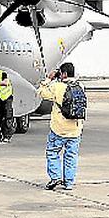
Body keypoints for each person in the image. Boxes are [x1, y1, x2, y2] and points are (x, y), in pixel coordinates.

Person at [36, 62, 86, 190]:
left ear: (63, 74)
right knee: (71, 155)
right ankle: (69, 182)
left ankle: (55, 177)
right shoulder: (80, 85)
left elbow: (40, 92)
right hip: (75, 128)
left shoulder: (57, 86)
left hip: (59, 128)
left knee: (52, 152)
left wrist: (49, 79)